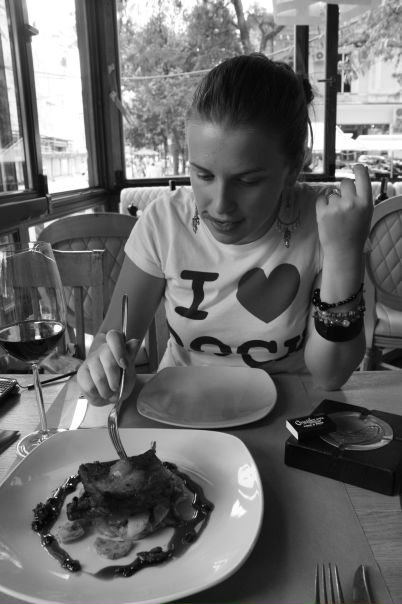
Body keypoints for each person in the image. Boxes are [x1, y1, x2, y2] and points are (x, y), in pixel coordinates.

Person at [77, 53, 373, 405]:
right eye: (203, 175)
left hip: (289, 413)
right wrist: (106, 373)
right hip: (180, 410)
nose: (220, 205)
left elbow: (330, 376)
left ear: (292, 169)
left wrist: (343, 254)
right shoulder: (163, 221)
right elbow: (108, 342)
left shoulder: (327, 224)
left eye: (248, 181)